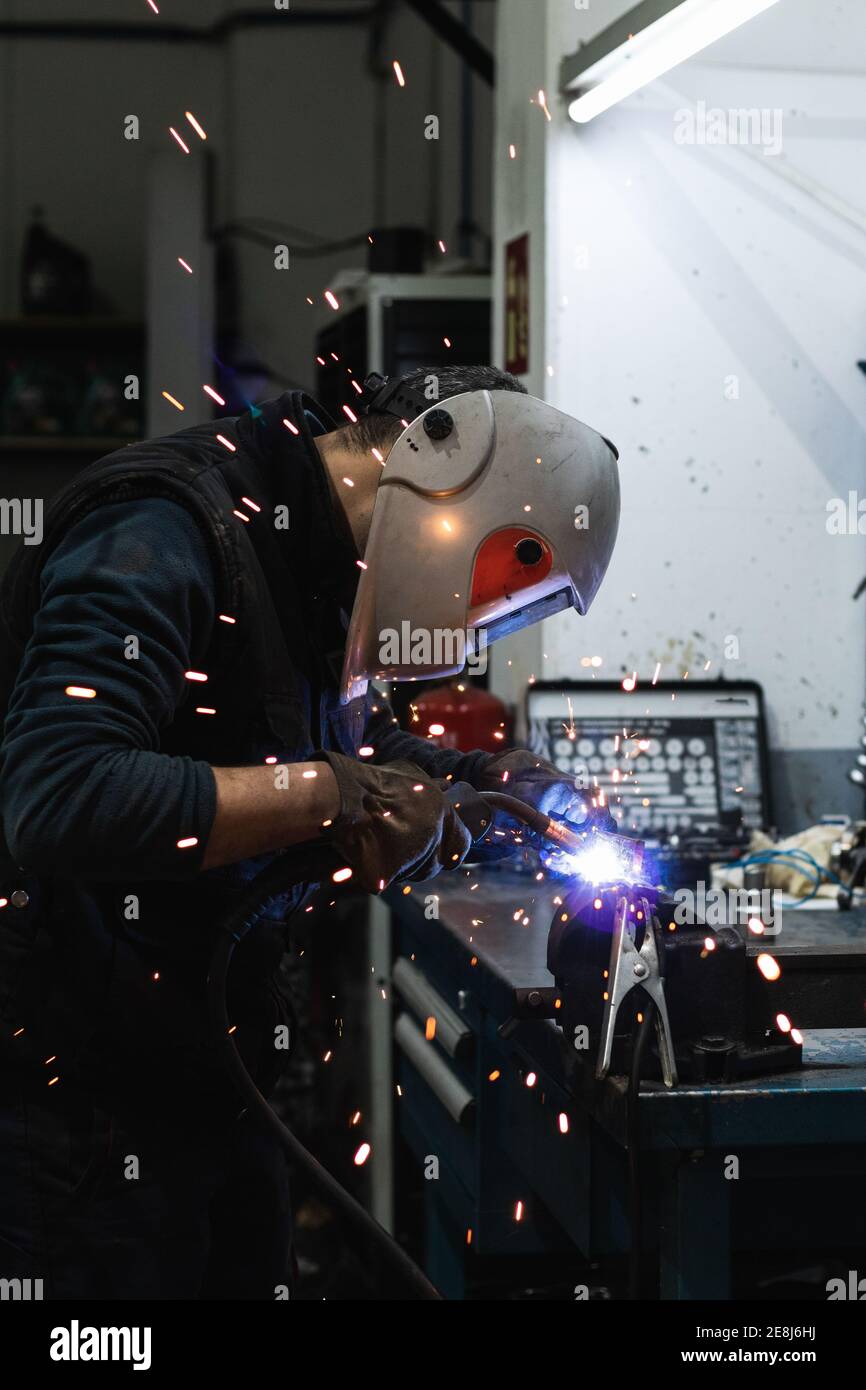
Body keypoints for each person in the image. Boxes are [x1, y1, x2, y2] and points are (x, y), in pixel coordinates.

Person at [0, 364, 619, 1298]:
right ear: (445, 481)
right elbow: (62, 793)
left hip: (210, 1063)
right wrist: (336, 796)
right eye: (499, 584)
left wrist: (492, 782)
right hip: (71, 1101)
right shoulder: (163, 528)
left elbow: (319, 736)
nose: (475, 624)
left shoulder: (320, 557)